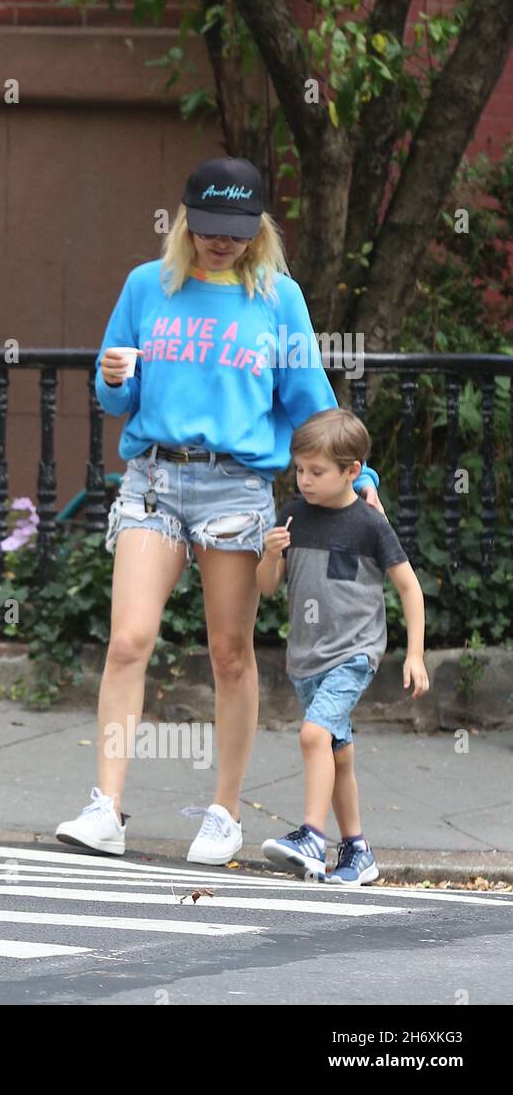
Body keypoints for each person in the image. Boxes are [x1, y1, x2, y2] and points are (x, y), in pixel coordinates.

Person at [55, 156, 384, 866]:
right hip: (153, 476)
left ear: (257, 227)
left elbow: (310, 401)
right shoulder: (149, 286)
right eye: (207, 228)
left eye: (235, 231)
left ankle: (224, 812)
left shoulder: (278, 299)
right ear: (186, 221)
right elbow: (117, 398)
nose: (220, 242)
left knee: (231, 653)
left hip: (237, 487)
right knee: (128, 640)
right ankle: (105, 806)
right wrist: (115, 377)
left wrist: (361, 476)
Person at [257, 409, 428, 885]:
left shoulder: (370, 525)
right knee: (336, 753)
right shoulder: (292, 514)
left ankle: (312, 837)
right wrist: (271, 555)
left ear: (352, 470)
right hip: (306, 657)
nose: (305, 480)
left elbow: (410, 588)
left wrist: (414, 653)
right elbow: (268, 586)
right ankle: (358, 852)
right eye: (300, 470)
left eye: (317, 472)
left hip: (353, 654)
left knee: (313, 736)